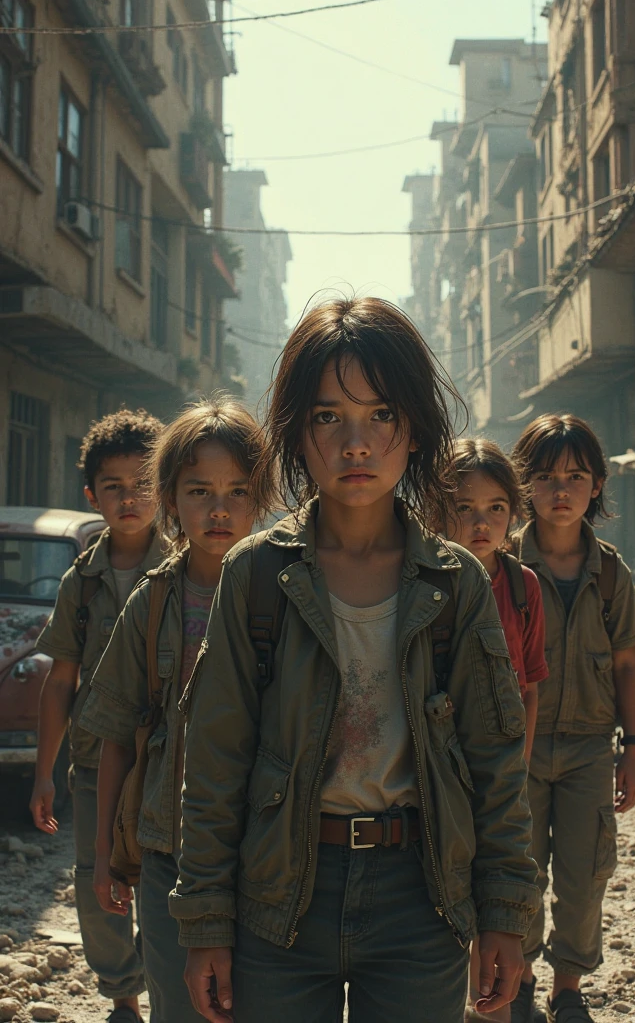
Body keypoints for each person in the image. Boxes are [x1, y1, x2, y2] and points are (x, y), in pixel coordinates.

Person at [169, 297, 540, 1023]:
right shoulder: (255, 577)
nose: (357, 443)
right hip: (280, 898)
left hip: (419, 896)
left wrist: (504, 911)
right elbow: (213, 764)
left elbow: (495, 760)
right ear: (297, 434)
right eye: (329, 416)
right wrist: (206, 925)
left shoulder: (456, 582)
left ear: (415, 429)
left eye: (382, 415)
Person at [78, 397, 263, 1023]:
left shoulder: (289, 597)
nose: (219, 509)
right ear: (170, 498)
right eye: (199, 490)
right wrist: (107, 855)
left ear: (260, 499)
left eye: (238, 491)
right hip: (167, 846)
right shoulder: (154, 602)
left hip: (266, 852)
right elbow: (117, 738)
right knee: (179, 1004)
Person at [511, 414, 635, 1023]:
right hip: (518, 751)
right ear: (524, 487)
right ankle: (514, 983)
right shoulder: (501, 567)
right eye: (545, 477)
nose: (560, 490)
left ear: (598, 484)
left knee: (585, 871)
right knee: (516, 871)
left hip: (591, 749)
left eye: (575, 476)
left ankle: (567, 988)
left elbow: (627, 665)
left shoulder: (611, 573)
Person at [30, 408, 164, 1023]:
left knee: (168, 877)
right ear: (92, 495)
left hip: (172, 760)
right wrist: (43, 773)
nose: (129, 498)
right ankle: (123, 996)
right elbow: (60, 682)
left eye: (143, 484)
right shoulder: (81, 583)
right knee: (96, 878)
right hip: (92, 759)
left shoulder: (192, 569)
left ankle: (171, 985)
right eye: (114, 487)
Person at [441, 439, 548, 1023]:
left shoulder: (522, 587)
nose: (480, 524)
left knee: (499, 900)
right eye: (464, 508)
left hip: (501, 772)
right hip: (437, 770)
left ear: (514, 514)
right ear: (438, 511)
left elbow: (529, 686)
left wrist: (518, 764)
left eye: (496, 509)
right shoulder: (425, 584)